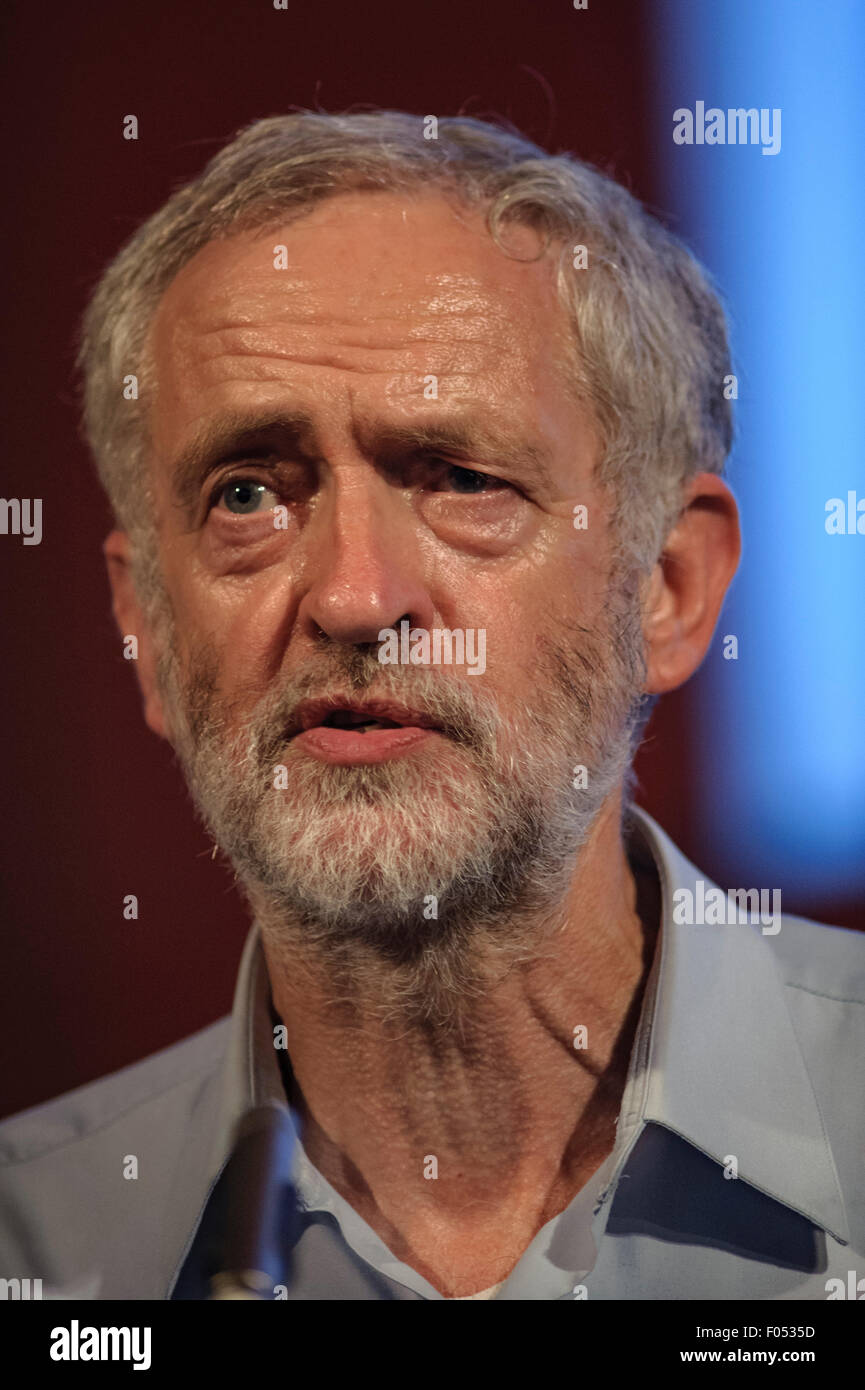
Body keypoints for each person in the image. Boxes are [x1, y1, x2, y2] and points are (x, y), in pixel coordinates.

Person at [1, 111, 862, 1301]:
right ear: (142, 626)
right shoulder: (34, 1251)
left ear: (667, 590)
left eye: (460, 479)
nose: (355, 598)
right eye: (247, 492)